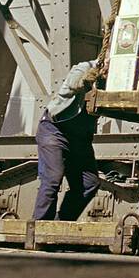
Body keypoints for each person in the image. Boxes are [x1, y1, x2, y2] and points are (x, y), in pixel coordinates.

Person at [33, 60, 101, 221]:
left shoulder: (119, 77)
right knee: (53, 178)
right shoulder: (86, 67)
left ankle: (59, 224)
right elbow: (72, 83)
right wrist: (85, 81)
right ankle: (38, 228)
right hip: (55, 130)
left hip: (79, 138)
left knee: (89, 183)